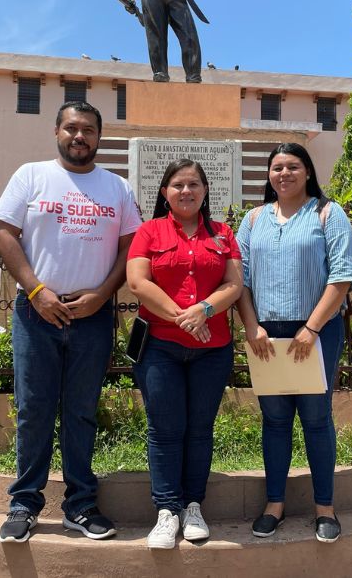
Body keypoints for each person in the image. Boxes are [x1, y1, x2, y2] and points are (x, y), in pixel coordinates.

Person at [0, 101, 143, 544]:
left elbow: (131, 247)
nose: (80, 137)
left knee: (80, 413)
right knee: (34, 410)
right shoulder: (31, 175)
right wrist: (37, 291)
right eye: (72, 128)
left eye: (89, 130)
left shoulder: (116, 187)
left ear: (99, 137)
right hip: (36, 314)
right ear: (57, 131)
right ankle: (24, 503)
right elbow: (2, 230)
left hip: (92, 318)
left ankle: (80, 504)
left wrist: (102, 295)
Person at [235, 143, 352, 543]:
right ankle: (275, 504)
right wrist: (252, 326)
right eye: (277, 168)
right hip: (267, 335)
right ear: (268, 175)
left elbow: (341, 276)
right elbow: (240, 281)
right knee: (274, 420)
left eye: (292, 166)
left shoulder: (327, 212)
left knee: (317, 419)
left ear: (307, 172)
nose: (283, 174)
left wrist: (312, 329)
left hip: (316, 332)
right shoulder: (253, 220)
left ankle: (325, 507)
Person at [126, 159, 242, 548]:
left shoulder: (223, 233)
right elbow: (138, 282)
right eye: (178, 185)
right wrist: (183, 318)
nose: (186, 191)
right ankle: (166, 510)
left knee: (199, 429)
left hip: (213, 350)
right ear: (164, 192)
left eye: (194, 184)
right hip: (159, 346)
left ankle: (192, 505)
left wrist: (204, 310)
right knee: (165, 429)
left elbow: (234, 284)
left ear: (206, 191)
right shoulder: (149, 231)